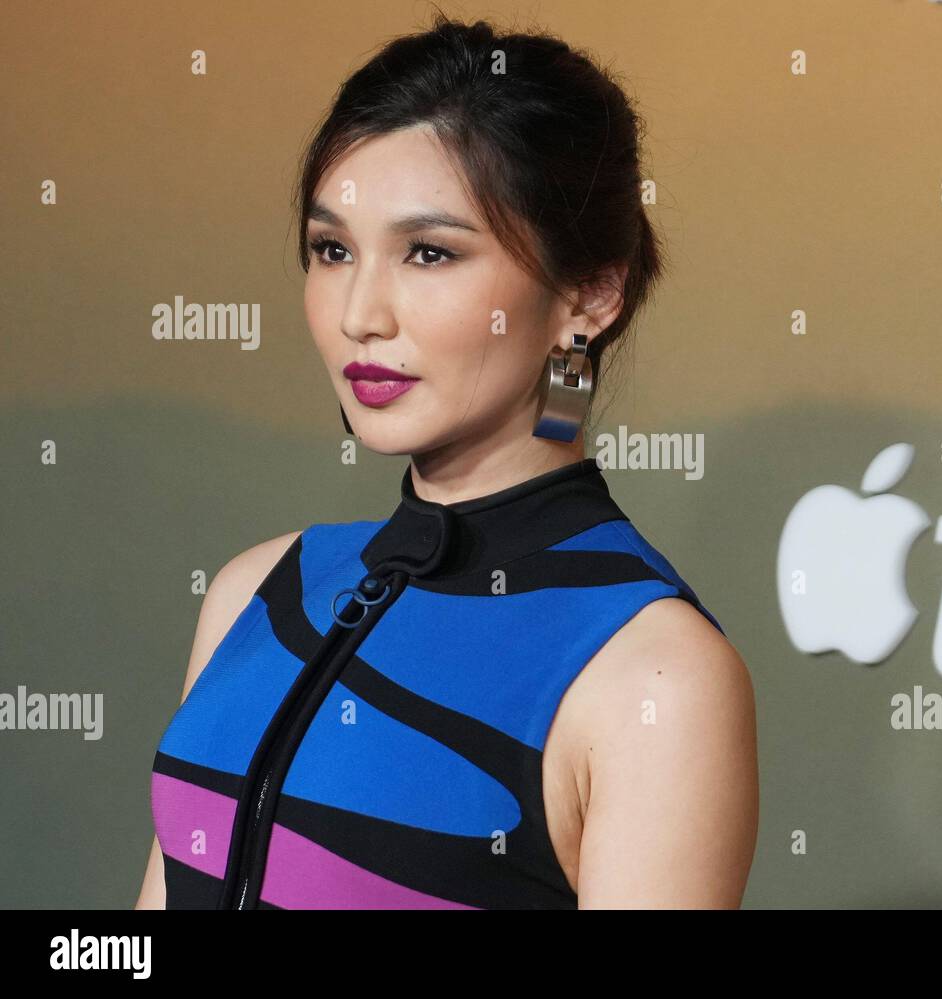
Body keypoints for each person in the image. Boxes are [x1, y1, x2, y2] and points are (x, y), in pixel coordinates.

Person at [134, 10, 757, 909]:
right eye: (331, 249)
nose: (360, 313)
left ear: (590, 292)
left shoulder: (655, 676)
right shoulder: (256, 590)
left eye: (429, 252)